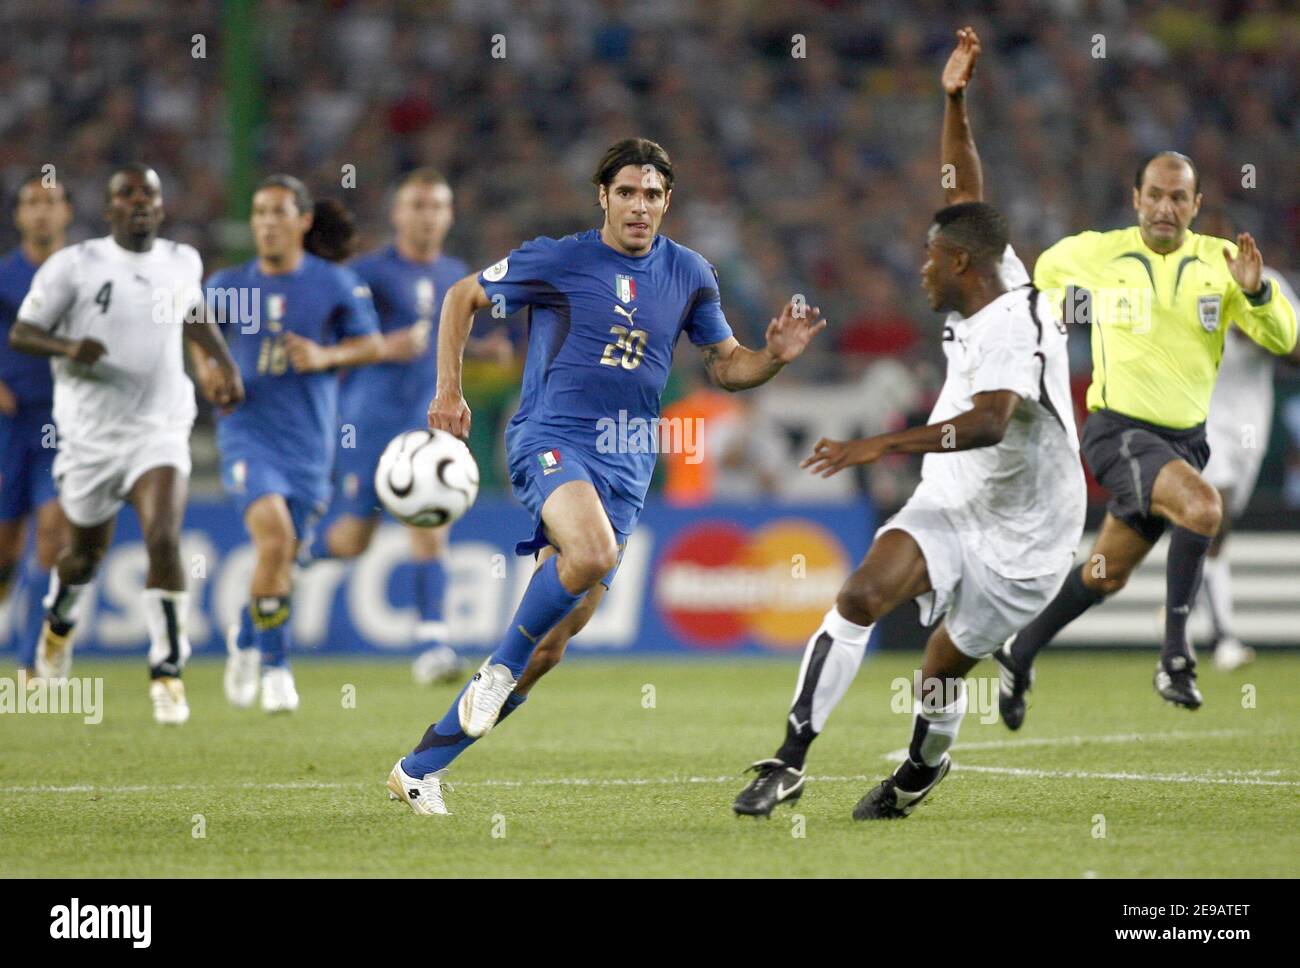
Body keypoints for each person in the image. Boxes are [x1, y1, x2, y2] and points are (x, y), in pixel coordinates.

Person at [387, 137, 825, 814]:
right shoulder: (559, 258)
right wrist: (450, 390)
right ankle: (496, 667)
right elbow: (459, 298)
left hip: (629, 462)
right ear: (604, 196)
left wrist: (773, 356)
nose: (640, 206)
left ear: (667, 201)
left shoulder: (690, 273)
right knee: (591, 554)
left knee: (555, 644)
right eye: (627, 192)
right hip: (550, 437)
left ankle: (420, 767)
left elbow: (727, 366)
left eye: (652, 195)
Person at [733, 27, 1084, 820]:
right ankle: (789, 759)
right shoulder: (988, 266)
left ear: (959, 265)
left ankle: (921, 771)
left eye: (929, 257)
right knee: (860, 594)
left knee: (937, 671)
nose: (919, 268)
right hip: (955, 495)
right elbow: (963, 187)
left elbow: (994, 422)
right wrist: (954, 99)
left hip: (1030, 534)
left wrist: (881, 443)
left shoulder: (1017, 326)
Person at [995, 149, 1297, 722]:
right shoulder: (1099, 251)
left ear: (1196, 205)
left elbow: (1284, 339)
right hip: (1118, 433)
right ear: (1136, 199)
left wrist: (1257, 294)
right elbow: (1047, 277)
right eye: (1154, 194)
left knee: (1104, 574)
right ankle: (1176, 658)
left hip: (1185, 442)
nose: (1165, 207)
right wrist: (1063, 310)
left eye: (1178, 197)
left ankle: (1019, 650)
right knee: (1204, 508)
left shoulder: (1222, 262)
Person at [10, 163, 243, 723]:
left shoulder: (182, 259)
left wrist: (224, 363)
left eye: (149, 194)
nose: (139, 201)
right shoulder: (75, 265)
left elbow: (192, 313)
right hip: (89, 437)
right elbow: (22, 332)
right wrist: (68, 349)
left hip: (159, 428)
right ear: (109, 208)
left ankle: (167, 671)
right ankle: (58, 623)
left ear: (160, 207)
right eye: (127, 194)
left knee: (163, 535)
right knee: (83, 556)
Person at [309, 168, 509, 685]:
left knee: (431, 526)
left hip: (425, 428)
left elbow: (448, 342)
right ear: (398, 213)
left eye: (437, 206)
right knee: (351, 540)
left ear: (449, 215)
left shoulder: (455, 273)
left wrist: (483, 348)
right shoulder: (367, 273)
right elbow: (327, 341)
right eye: (417, 205)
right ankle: (291, 552)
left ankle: (433, 644)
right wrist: (384, 346)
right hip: (368, 425)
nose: (428, 216)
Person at [201, 176, 381, 713]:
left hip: (309, 443)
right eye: (259, 213)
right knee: (276, 542)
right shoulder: (229, 284)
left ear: (303, 221)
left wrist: (327, 357)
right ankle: (277, 670)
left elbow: (371, 344)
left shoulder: (333, 284)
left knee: (284, 557)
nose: (266, 223)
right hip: (247, 434)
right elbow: (195, 330)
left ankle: (246, 638)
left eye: (278, 212)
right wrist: (211, 371)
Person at [1198, 266, 1300, 669]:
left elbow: (1297, 349)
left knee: (1216, 528)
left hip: (1249, 428)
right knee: (1212, 518)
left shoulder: (1271, 283)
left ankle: (1182, 606)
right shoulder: (1188, 280)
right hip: (1199, 421)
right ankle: (1223, 637)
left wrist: (1261, 328)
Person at [0, 174, 72, 677]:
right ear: (18, 216)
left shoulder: (86, 277)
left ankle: (33, 657)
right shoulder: (4, 276)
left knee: (53, 529)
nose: (41, 211)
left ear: (66, 212)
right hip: (8, 424)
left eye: (50, 202)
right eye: (32, 203)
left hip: (65, 424)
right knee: (7, 540)